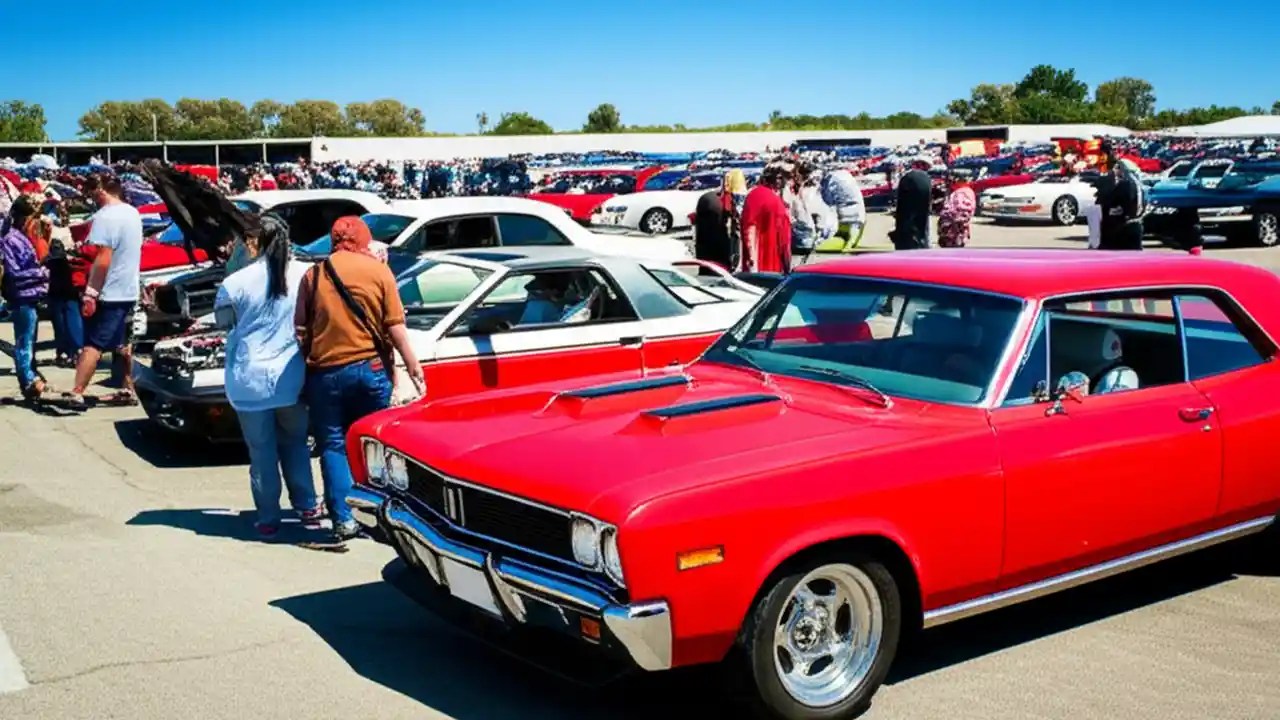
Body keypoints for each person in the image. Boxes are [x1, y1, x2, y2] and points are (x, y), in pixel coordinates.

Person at [295, 216, 425, 542]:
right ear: (364, 238)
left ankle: (343, 521)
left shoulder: (313, 275)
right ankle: (379, 517)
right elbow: (395, 325)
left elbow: (300, 332)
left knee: (334, 446)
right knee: (372, 446)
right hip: (371, 370)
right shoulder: (378, 271)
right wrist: (412, 365)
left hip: (324, 374)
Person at [214, 214, 320, 539]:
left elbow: (223, 323)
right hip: (293, 375)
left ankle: (268, 516)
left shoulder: (236, 282)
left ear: (252, 243)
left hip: (249, 379)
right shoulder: (308, 274)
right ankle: (307, 507)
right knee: (296, 444)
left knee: (261, 451)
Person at [65, 174, 143, 408]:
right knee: (123, 342)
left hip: (110, 291)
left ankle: (77, 391)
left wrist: (91, 292)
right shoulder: (133, 213)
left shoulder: (104, 218)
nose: (90, 196)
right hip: (130, 288)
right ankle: (127, 388)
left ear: (101, 191)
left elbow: (103, 258)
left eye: (91, 190)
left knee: (93, 344)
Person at [0, 197, 50, 400]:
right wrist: (42, 273)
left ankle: (29, 378)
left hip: (28, 294)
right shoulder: (10, 239)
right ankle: (28, 380)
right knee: (25, 341)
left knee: (27, 339)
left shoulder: (16, 236)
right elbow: (14, 271)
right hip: (22, 294)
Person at [740, 163, 793, 273]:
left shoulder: (752, 195)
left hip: (750, 266)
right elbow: (784, 242)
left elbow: (747, 230)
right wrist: (788, 268)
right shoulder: (777, 204)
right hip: (771, 266)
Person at [43, 236, 85, 367]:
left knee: (60, 325)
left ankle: (64, 352)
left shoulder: (47, 263)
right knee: (74, 323)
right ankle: (77, 352)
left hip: (55, 295)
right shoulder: (69, 263)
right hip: (70, 293)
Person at [817, 168, 867, 253]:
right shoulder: (843, 175)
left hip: (848, 214)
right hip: (857, 214)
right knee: (854, 229)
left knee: (850, 230)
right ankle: (848, 241)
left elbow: (827, 199)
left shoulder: (831, 178)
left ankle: (847, 241)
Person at [890, 159, 932, 250]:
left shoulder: (908, 178)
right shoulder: (925, 178)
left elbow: (902, 210)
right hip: (921, 237)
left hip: (906, 240)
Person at [937, 174, 977, 248]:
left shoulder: (963, 192)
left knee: (952, 249)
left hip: (954, 228)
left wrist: (950, 219)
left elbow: (963, 212)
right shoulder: (954, 191)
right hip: (950, 227)